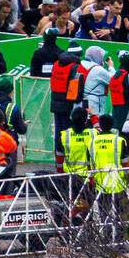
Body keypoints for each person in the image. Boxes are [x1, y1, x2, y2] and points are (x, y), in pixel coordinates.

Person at [90, 113, 129, 238]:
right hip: (118, 183)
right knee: (122, 213)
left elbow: (89, 164)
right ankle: (120, 241)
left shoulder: (92, 142)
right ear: (112, 126)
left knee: (104, 214)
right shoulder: (119, 141)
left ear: (100, 126)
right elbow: (126, 163)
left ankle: (106, 240)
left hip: (101, 183)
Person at [49, 42, 86, 171]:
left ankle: (58, 163)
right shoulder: (75, 67)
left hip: (55, 103)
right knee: (67, 134)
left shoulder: (55, 64)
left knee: (58, 134)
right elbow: (74, 89)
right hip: (68, 105)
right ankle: (68, 162)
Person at [0, 76, 27, 162]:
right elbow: (21, 130)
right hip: (6, 146)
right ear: (10, 92)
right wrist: (24, 124)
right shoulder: (12, 107)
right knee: (8, 171)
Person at [60, 105, 95, 202]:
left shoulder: (64, 134)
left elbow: (59, 155)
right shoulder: (92, 133)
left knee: (71, 203)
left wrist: (60, 173)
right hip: (87, 178)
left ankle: (73, 216)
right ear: (85, 121)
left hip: (69, 176)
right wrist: (93, 115)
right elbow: (103, 129)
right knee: (85, 205)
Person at [82, 45, 113, 125]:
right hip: (94, 104)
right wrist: (111, 67)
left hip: (82, 102)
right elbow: (114, 80)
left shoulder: (82, 64)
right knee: (96, 128)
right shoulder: (98, 69)